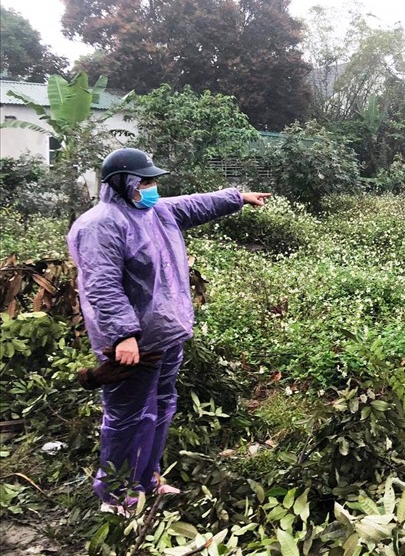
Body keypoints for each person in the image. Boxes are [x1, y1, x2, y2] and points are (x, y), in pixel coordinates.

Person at [67, 147, 270, 514]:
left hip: (165, 334)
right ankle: (115, 494)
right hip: (131, 344)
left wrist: (238, 197)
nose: (151, 187)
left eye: (153, 181)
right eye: (144, 182)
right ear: (122, 183)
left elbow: (194, 205)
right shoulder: (101, 225)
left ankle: (147, 479)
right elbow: (101, 285)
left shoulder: (156, 212)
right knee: (128, 417)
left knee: (161, 407)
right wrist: (123, 335)